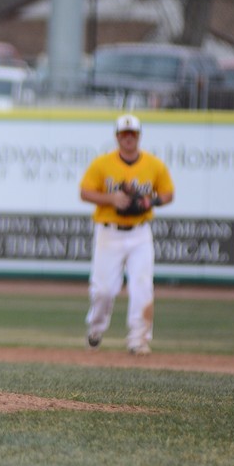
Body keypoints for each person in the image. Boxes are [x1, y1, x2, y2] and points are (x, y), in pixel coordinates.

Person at [78, 113, 175, 356]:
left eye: (132, 134)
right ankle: (96, 328)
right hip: (109, 232)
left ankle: (138, 339)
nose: (128, 139)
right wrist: (112, 198)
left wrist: (148, 201)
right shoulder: (102, 164)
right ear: (117, 137)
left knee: (142, 286)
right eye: (124, 134)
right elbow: (85, 192)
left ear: (139, 137)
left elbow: (168, 193)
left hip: (140, 233)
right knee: (103, 290)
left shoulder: (154, 165)